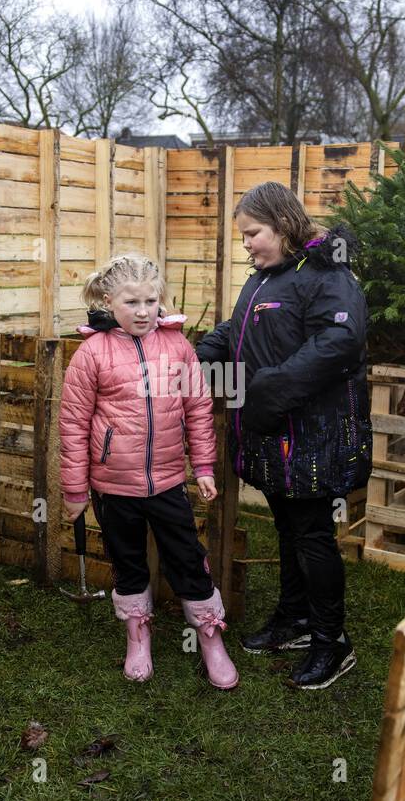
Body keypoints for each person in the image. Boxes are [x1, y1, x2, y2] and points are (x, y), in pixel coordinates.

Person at [195, 181, 371, 690]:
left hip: (312, 437)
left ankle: (332, 642)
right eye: (243, 236)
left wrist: (271, 387)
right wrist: (206, 352)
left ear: (283, 224)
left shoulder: (326, 275)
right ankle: (294, 619)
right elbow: (237, 330)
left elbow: (341, 340)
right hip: (272, 433)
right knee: (288, 529)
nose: (246, 244)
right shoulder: (264, 278)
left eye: (253, 233)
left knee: (313, 537)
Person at [59, 253, 239, 690]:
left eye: (150, 301)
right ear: (108, 300)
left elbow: (197, 409)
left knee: (187, 559)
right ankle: (137, 634)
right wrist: (74, 489)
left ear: (161, 300)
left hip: (168, 483)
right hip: (112, 486)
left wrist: (203, 466)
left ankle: (210, 637)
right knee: (128, 561)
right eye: (131, 302)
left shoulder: (177, 346)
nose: (143, 312)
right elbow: (73, 423)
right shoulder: (91, 353)